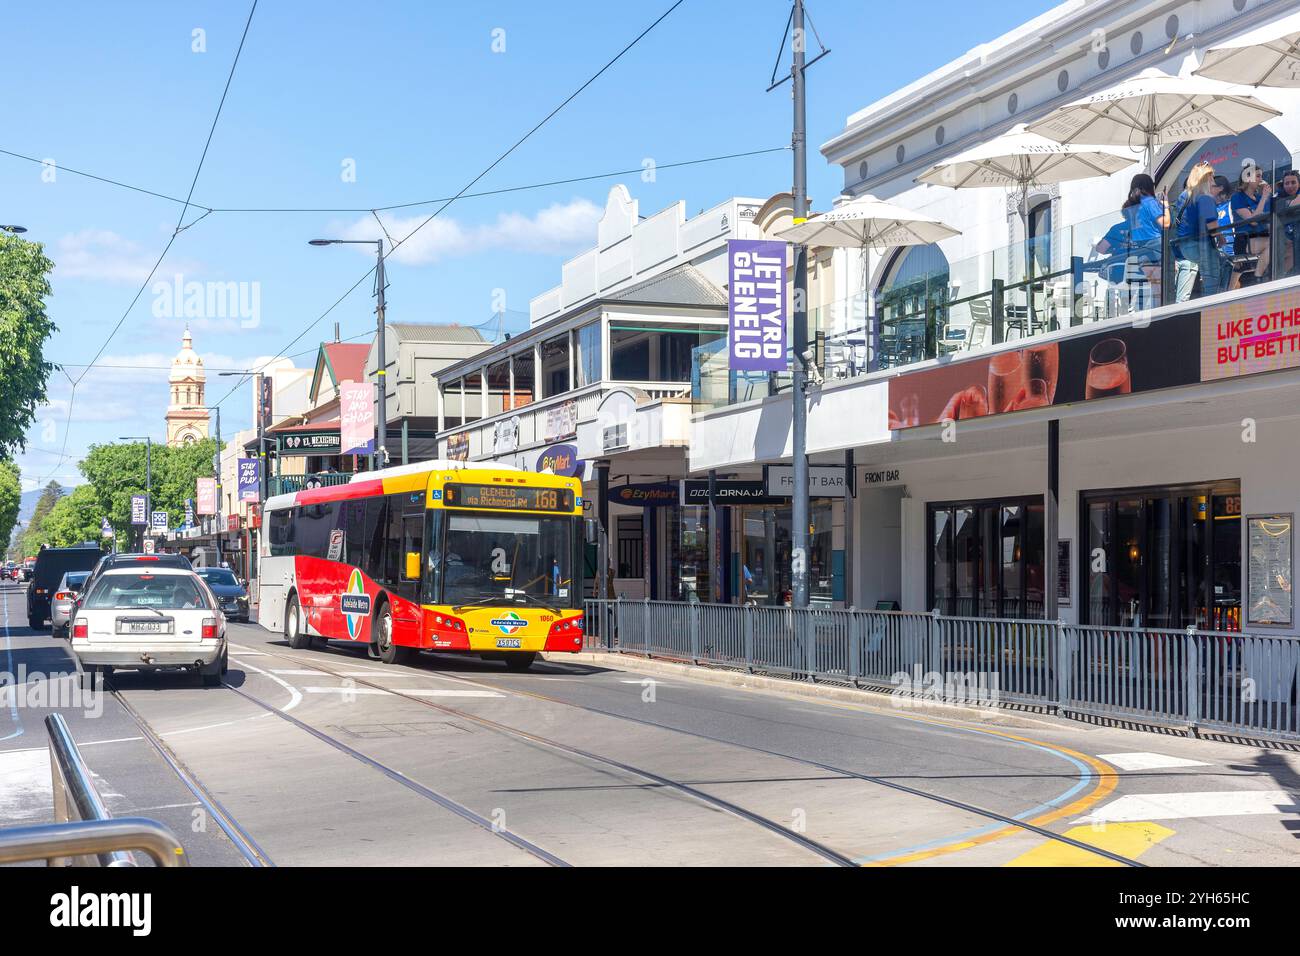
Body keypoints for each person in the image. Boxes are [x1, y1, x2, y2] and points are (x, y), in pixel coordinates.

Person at [1120, 173, 1171, 310]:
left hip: (1140, 249)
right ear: (1149, 186)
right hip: (1156, 245)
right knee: (1164, 285)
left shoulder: (1131, 207)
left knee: (1155, 288)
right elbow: (1165, 223)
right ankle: (1163, 314)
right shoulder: (1149, 202)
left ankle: (1156, 315)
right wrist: (1165, 204)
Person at [1174, 162, 1223, 301]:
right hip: (1201, 246)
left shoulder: (1183, 196)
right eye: (1211, 177)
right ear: (1206, 178)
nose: (1213, 181)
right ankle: (1212, 309)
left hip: (1184, 247)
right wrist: (1221, 237)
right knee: (1213, 281)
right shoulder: (1205, 198)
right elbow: (1212, 227)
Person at [1229, 157, 1272, 287]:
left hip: (1262, 236)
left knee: (1287, 244)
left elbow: (1269, 219)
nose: (1260, 179)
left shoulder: (1259, 197)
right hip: (1245, 240)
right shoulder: (1237, 197)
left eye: (1261, 176)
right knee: (1273, 243)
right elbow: (1252, 221)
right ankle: (1257, 277)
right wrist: (1264, 197)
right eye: (1258, 176)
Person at [1274, 169, 1300, 278]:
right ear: (1283, 185)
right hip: (1286, 240)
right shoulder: (1277, 199)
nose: (1290, 186)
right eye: (1287, 183)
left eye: (1293, 182)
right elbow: (1289, 207)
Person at [1214, 174, 1237, 292]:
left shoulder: (1230, 204)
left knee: (1227, 286)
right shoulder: (1213, 207)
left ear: (1221, 188)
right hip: (1217, 252)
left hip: (1231, 252)